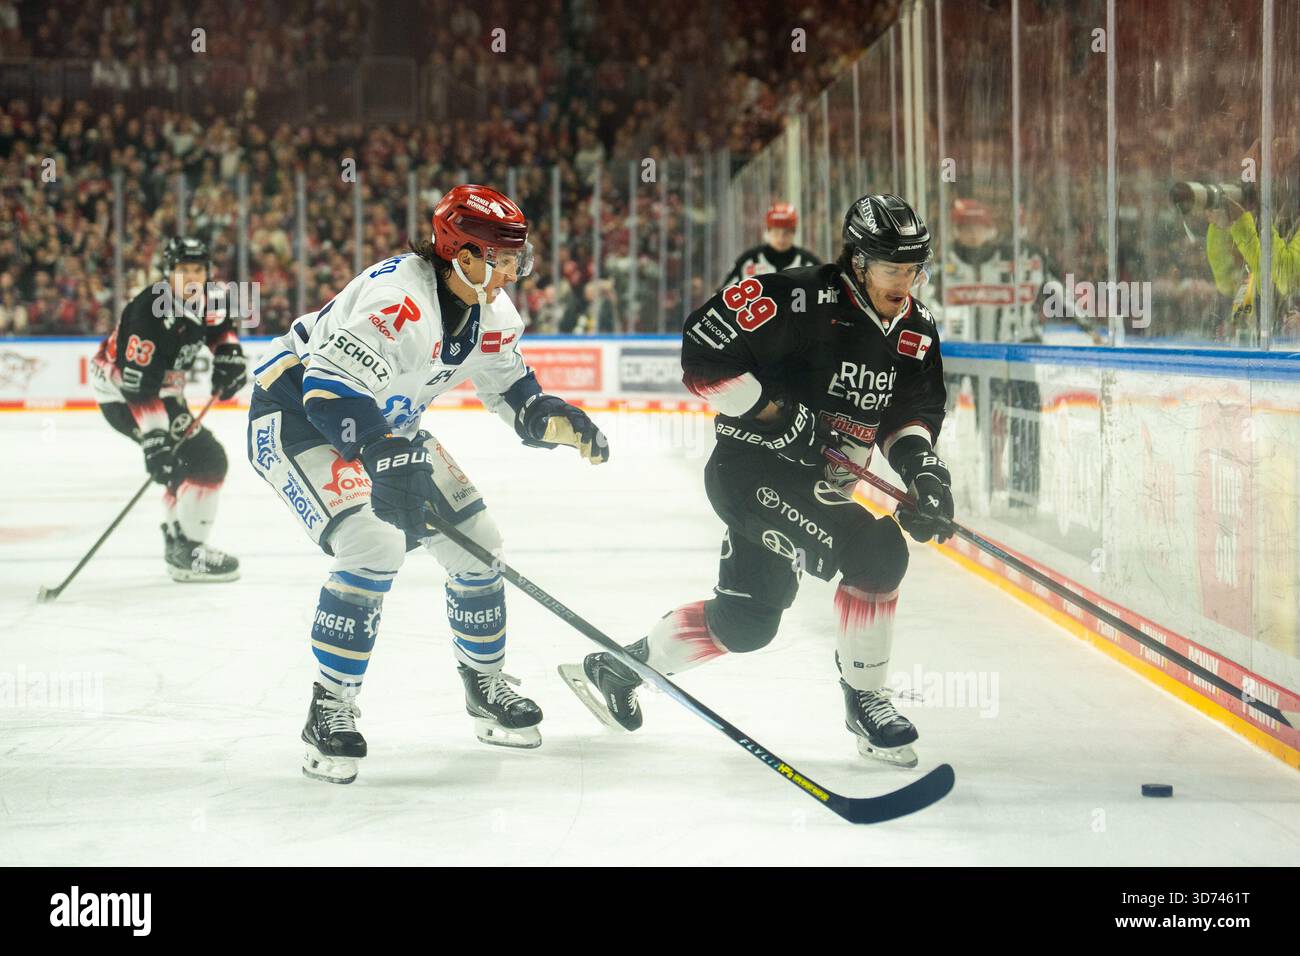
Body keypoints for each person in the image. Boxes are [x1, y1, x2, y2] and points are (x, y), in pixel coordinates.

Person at [561, 194, 951, 768]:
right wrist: (774, 412)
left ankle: (619, 667)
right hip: (749, 473)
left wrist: (924, 472)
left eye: (915, 268)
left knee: (746, 622)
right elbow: (702, 352)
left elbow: (908, 415)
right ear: (859, 261)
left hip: (815, 484)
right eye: (893, 267)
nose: (905, 280)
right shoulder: (795, 296)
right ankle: (866, 699)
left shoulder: (915, 330)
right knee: (877, 548)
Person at [247, 184, 609, 784]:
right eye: (501, 256)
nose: (513, 271)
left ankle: (484, 685)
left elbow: (513, 393)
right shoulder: (399, 301)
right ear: (461, 255)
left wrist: (555, 420)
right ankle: (329, 707)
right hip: (295, 418)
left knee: (480, 541)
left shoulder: (490, 311)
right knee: (373, 544)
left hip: (384, 425)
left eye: (516, 257)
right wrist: (384, 458)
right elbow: (328, 390)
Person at [90, 236, 246, 582]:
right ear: (167, 273)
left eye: (198, 270)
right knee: (206, 460)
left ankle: (178, 538)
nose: (191, 277)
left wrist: (228, 356)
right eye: (182, 270)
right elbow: (138, 388)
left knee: (185, 461)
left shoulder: (209, 296)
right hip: (123, 395)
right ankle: (189, 553)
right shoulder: (149, 313)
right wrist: (155, 439)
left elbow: (220, 329)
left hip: (161, 388)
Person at [720, 201, 821, 288]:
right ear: (768, 230)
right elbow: (721, 296)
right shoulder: (748, 262)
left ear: (794, 232)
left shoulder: (810, 264)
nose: (781, 238)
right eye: (776, 232)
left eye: (786, 232)